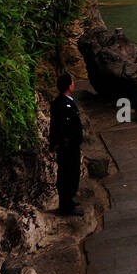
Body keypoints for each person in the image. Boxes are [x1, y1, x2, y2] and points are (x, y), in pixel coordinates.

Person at [49, 73, 83, 216]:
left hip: (69, 144)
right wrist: (65, 141)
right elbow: (63, 126)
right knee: (68, 174)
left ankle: (68, 201)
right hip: (68, 146)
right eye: (73, 82)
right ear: (69, 86)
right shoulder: (63, 103)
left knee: (70, 173)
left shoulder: (61, 101)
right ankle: (66, 206)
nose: (74, 84)